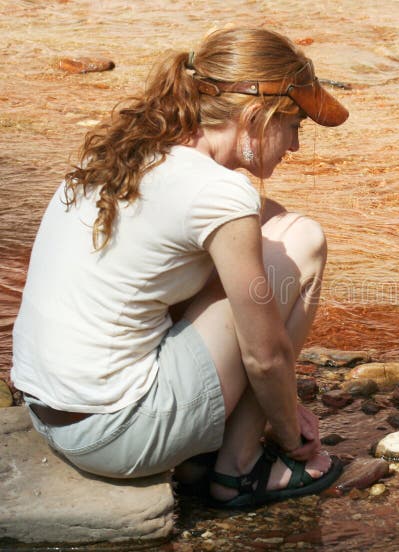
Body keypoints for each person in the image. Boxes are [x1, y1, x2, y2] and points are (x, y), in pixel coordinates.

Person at [11, 26, 349, 508]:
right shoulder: (218, 192)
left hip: (50, 415)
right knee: (302, 240)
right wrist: (288, 427)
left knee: (268, 223)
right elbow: (265, 356)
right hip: (117, 435)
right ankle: (240, 469)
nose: (294, 146)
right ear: (256, 117)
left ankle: (199, 449)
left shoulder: (128, 150)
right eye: (295, 126)